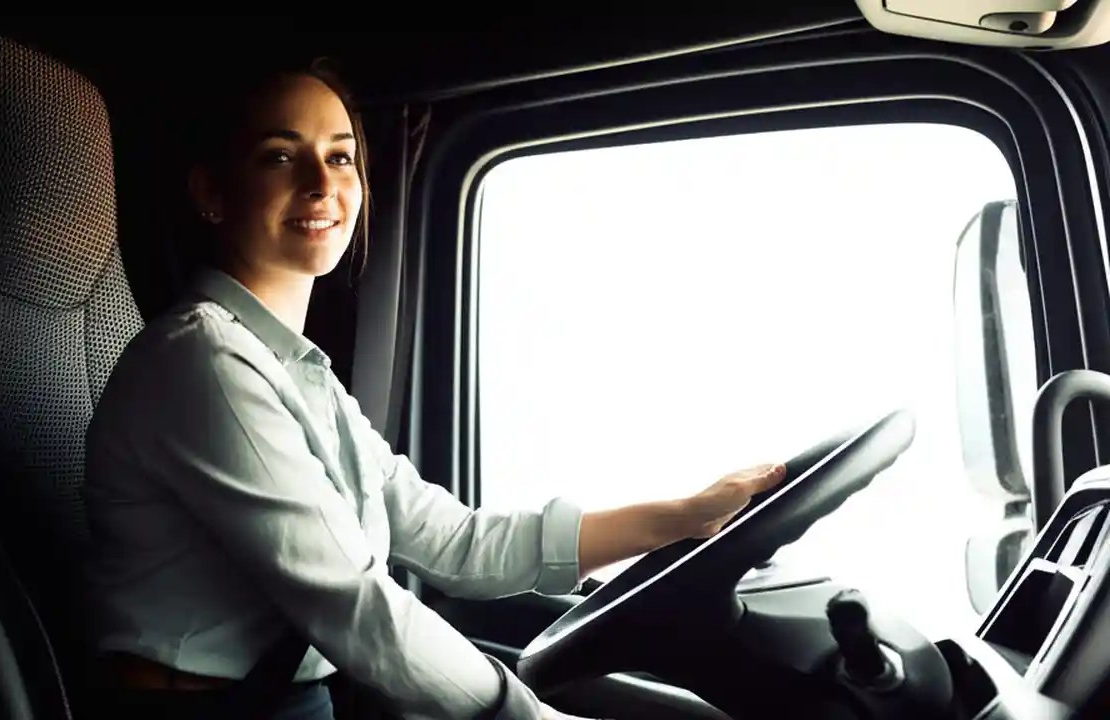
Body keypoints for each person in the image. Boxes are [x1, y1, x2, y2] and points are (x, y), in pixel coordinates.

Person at [83, 60, 787, 720]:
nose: (322, 184)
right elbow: (355, 605)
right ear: (211, 192)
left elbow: (453, 541)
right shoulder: (204, 363)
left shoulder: (292, 371)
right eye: (280, 155)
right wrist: (532, 714)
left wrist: (687, 515)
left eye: (339, 156)